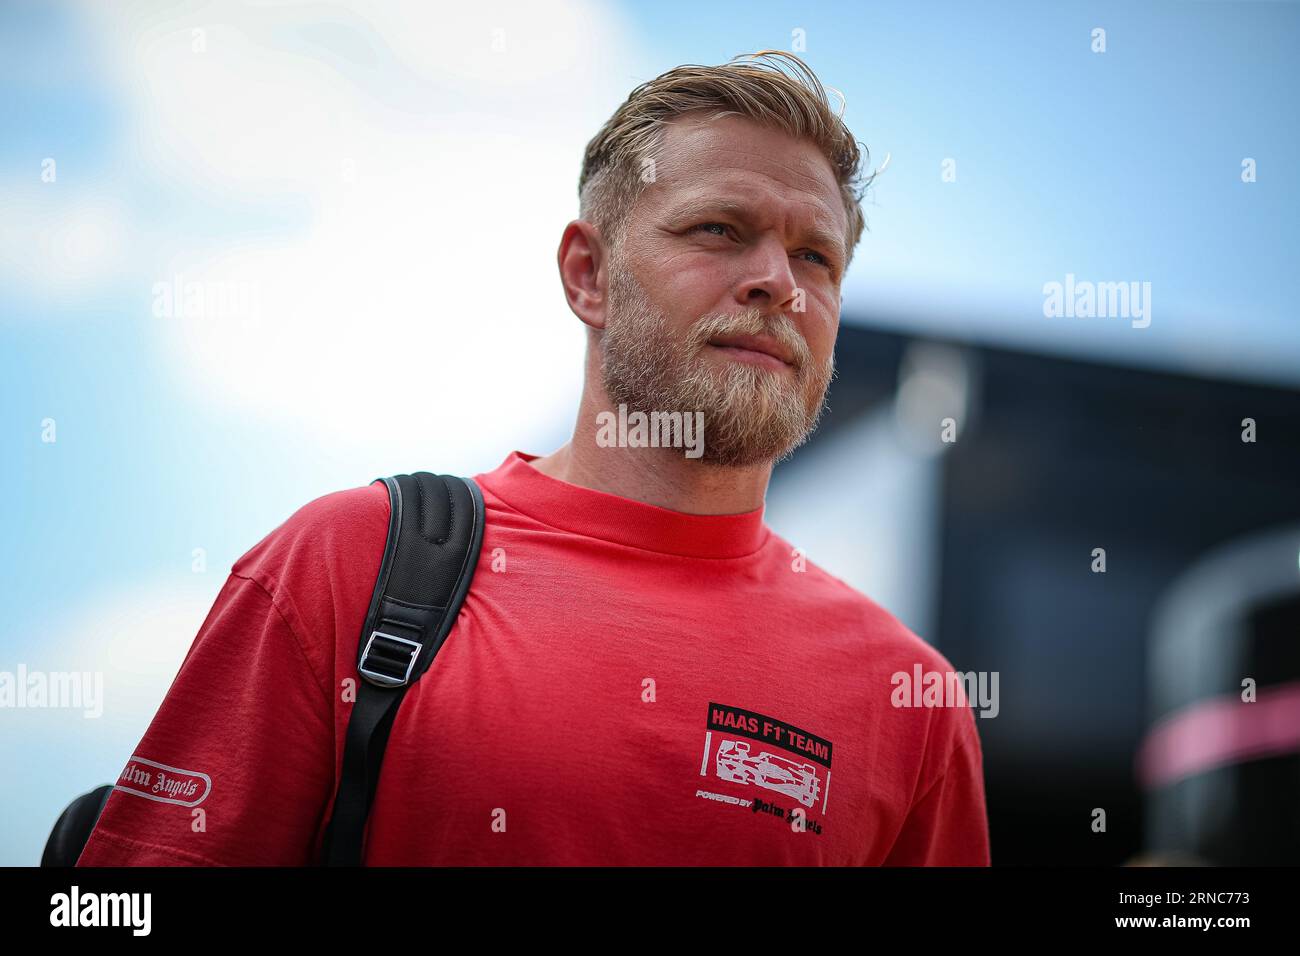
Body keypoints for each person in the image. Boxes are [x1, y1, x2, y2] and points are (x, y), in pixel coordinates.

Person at [77, 50, 990, 866]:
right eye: (718, 229)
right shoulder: (350, 564)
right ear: (587, 275)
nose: (778, 284)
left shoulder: (911, 700)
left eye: (815, 256)